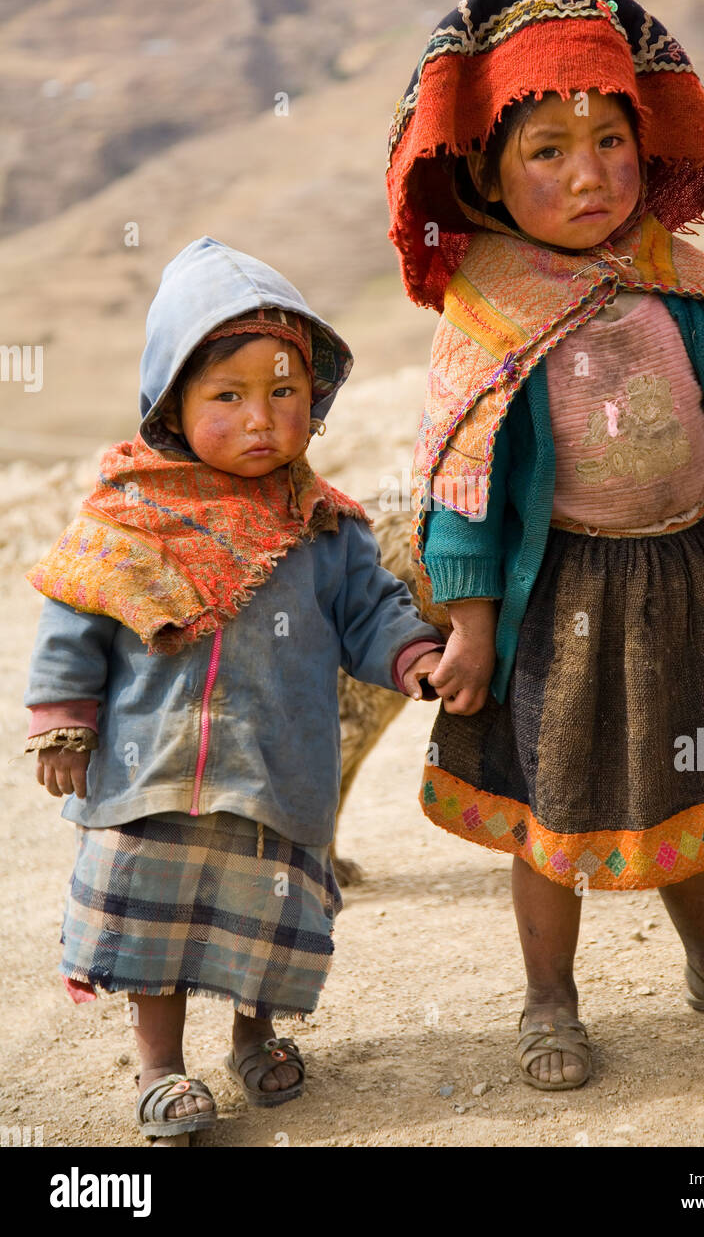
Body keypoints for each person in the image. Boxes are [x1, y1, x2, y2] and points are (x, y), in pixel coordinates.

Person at [385, 0, 704, 1090]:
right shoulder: (490, 310)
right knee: (547, 807)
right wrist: (464, 621)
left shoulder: (674, 276)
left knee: (688, 775)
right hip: (560, 600)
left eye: (609, 137)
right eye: (546, 148)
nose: (589, 171)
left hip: (694, 572)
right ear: (481, 174)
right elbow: (462, 485)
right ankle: (547, 999)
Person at [23, 237, 445, 1138]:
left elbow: (371, 611)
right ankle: (162, 1069)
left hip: (275, 773)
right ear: (173, 402)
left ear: (315, 399)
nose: (262, 418)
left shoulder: (325, 526)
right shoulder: (129, 515)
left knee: (264, 916)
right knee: (156, 928)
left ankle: (256, 1039)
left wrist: (410, 655)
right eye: (229, 396)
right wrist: (63, 720)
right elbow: (77, 616)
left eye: (283, 392)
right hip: (154, 771)